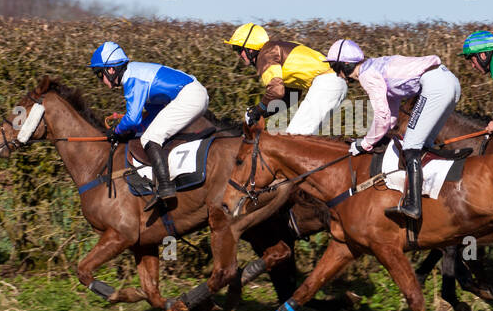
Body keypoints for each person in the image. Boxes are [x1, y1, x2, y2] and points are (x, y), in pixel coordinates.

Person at [325, 39, 461, 221]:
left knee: (411, 145)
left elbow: (382, 117)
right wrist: (377, 136)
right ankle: (436, 194)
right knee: (424, 144)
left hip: (436, 85)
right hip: (450, 81)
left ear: (346, 64)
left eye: (335, 67)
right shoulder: (375, 67)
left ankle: (413, 205)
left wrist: (364, 144)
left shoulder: (367, 75)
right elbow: (390, 116)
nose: (337, 74)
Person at [89, 41, 208, 211]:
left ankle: (165, 187)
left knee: (150, 138)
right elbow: (153, 113)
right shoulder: (136, 72)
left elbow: (132, 119)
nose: (101, 80)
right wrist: (133, 130)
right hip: (194, 94)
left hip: (190, 96)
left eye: (99, 74)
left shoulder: (132, 79)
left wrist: (116, 131)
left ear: (111, 70)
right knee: (150, 134)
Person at [225, 23, 348, 134]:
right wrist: (262, 113)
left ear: (250, 48)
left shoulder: (266, 54)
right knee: (303, 138)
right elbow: (290, 98)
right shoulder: (278, 50)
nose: (238, 55)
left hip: (327, 84)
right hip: (336, 84)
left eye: (238, 49)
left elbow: (275, 91)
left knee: (295, 137)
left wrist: (257, 109)